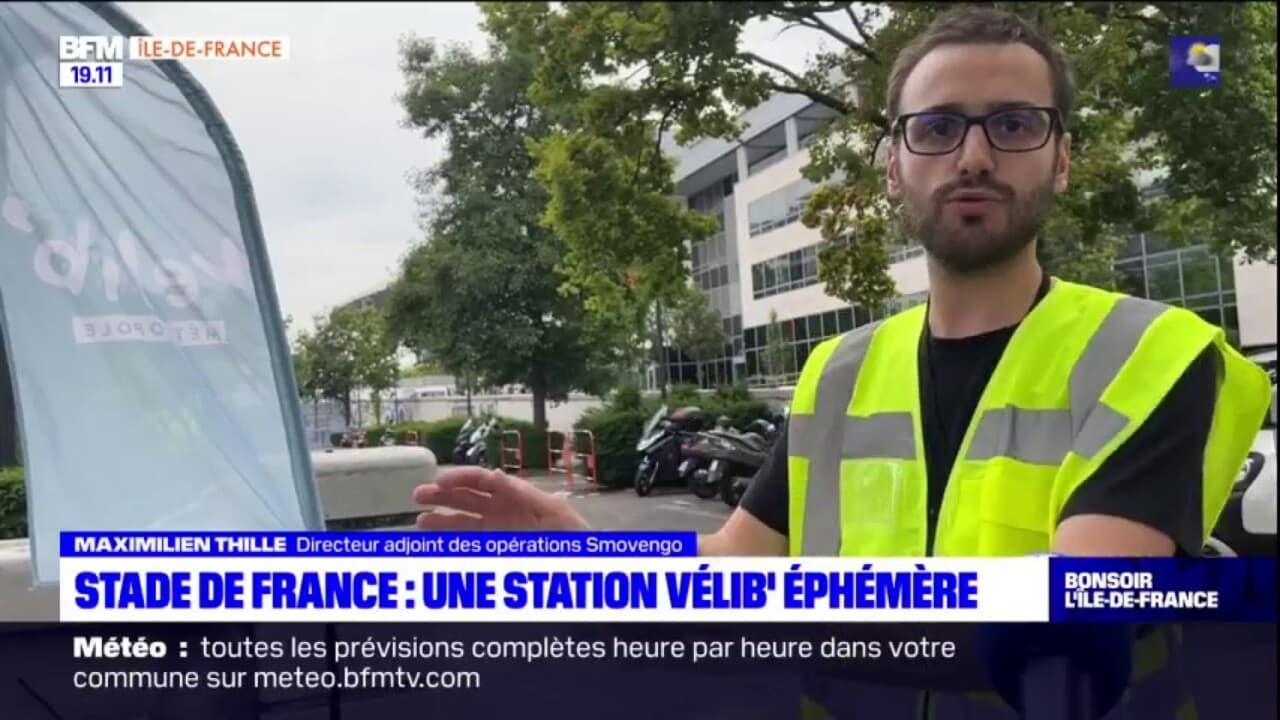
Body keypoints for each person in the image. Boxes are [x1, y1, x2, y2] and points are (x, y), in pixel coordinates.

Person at [412, 7, 1270, 716]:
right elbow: (730, 579)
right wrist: (581, 561)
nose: (973, 155)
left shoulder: (1154, 356)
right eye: (936, 128)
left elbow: (1059, 622)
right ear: (893, 165)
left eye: (1013, 123)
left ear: (1062, 156)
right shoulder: (837, 373)